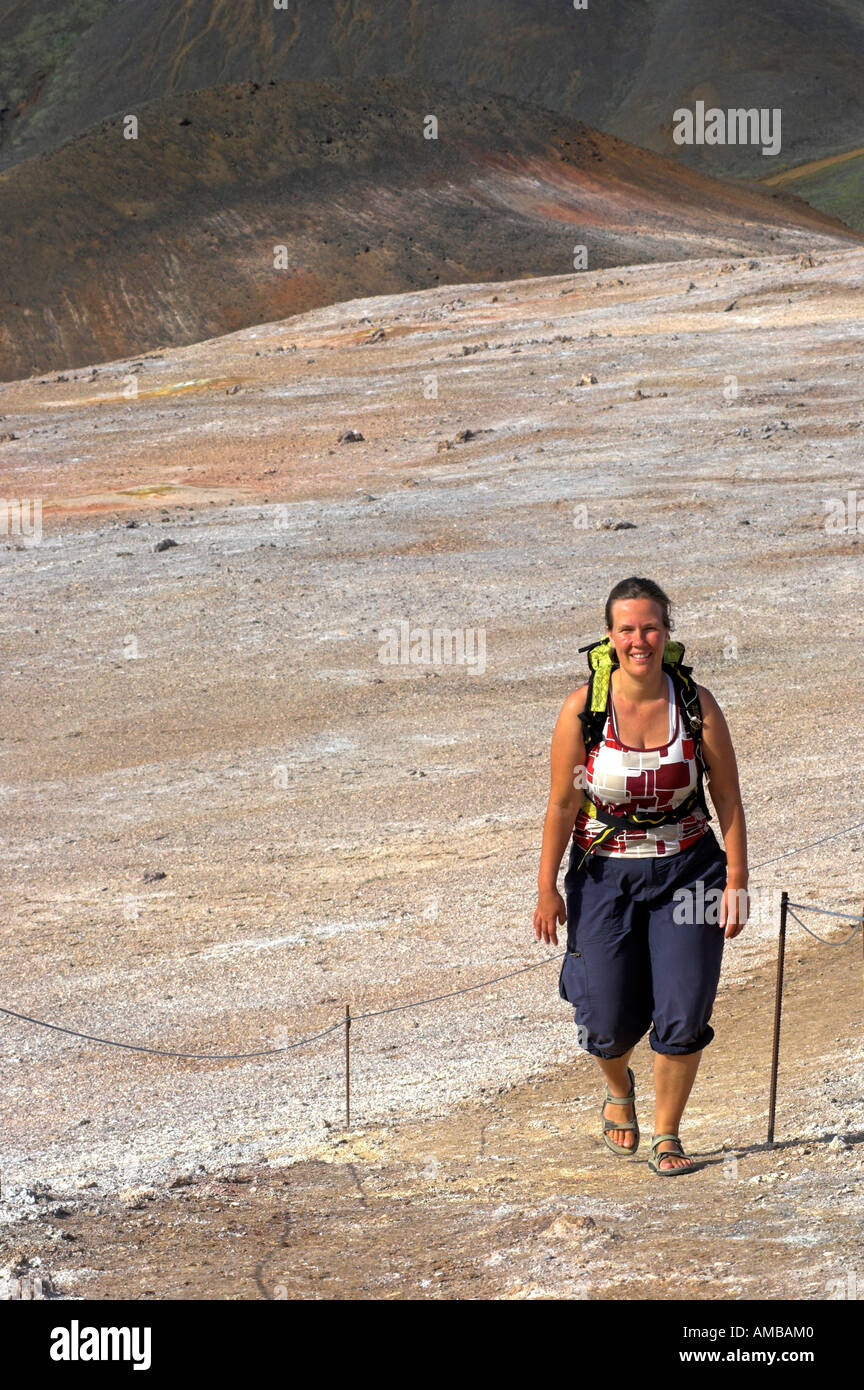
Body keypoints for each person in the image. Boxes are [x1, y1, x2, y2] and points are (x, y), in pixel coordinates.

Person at [533, 577, 749, 1175]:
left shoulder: (696, 704)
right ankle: (620, 1092)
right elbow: (560, 803)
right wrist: (547, 886)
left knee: (684, 1004)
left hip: (689, 871)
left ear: (667, 633)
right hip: (604, 873)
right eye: (626, 629)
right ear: (609, 636)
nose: (639, 640)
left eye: (650, 627)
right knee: (603, 1015)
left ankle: (667, 1134)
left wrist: (736, 879)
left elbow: (727, 798)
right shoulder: (584, 708)